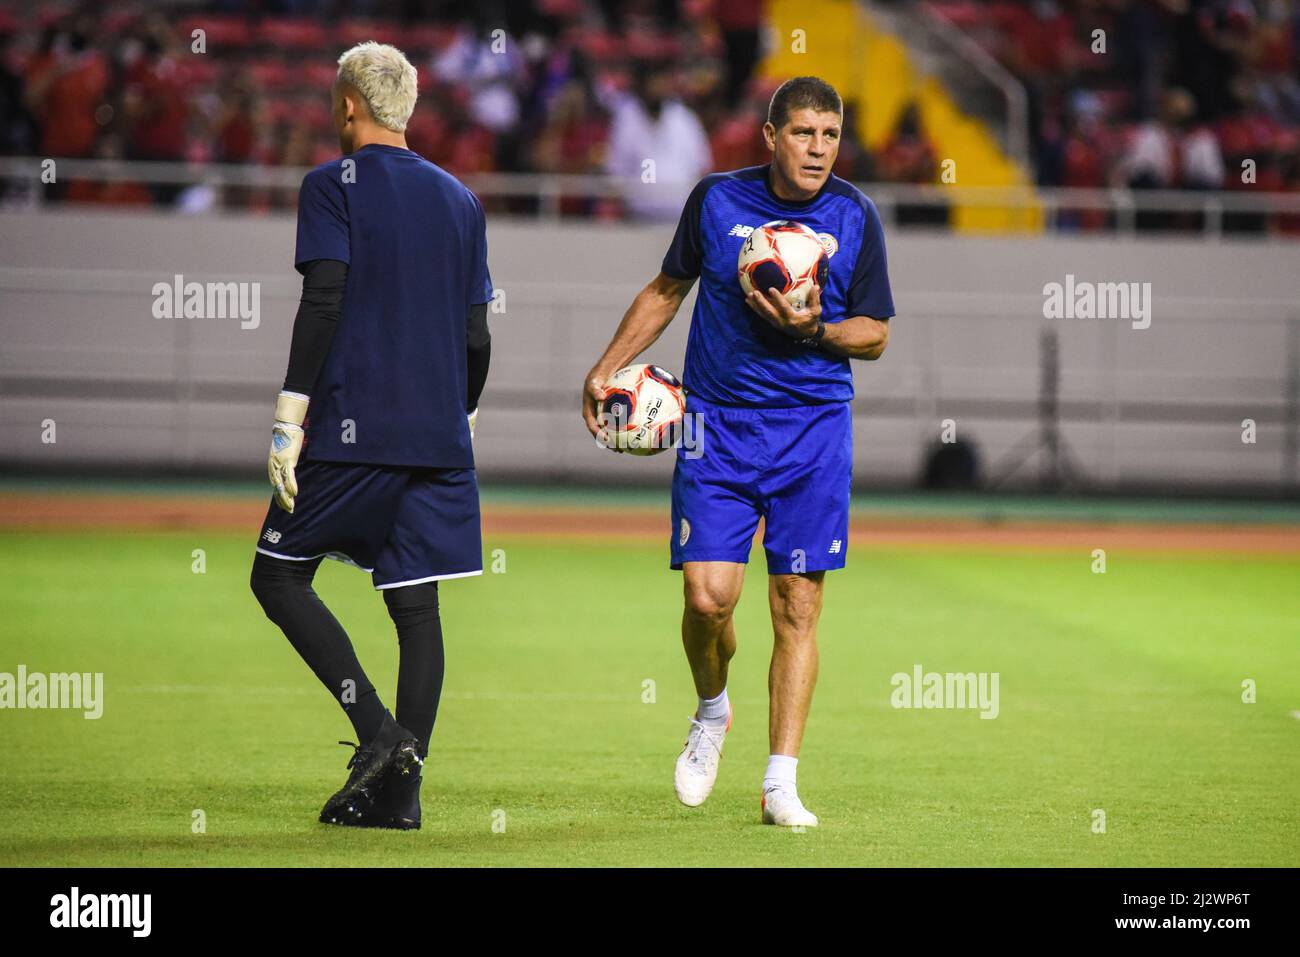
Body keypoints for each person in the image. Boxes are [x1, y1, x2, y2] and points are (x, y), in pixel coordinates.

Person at [581, 76, 895, 827]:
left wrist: (811, 330)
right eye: (803, 133)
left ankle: (780, 780)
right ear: (770, 135)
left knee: (797, 605)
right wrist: (606, 365)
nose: (818, 149)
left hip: (814, 430)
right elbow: (667, 288)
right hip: (715, 426)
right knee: (707, 598)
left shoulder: (855, 213)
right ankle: (712, 710)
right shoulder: (716, 200)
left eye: (830, 134)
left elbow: (875, 332)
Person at [249, 42, 493, 830]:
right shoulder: (461, 199)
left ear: (348, 104)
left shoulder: (331, 184)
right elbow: (476, 334)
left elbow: (325, 297)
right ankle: (402, 797)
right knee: (415, 611)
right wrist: (465, 413)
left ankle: (380, 737)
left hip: (355, 431)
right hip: (437, 436)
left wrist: (290, 414)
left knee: (278, 578)